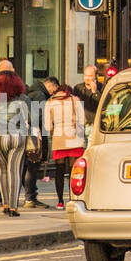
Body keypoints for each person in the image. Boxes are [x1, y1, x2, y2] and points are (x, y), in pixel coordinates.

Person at [0, 60, 33, 217]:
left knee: (2, 171)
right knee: (14, 172)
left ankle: (5, 204)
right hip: (16, 137)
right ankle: (13, 206)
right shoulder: (22, 99)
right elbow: (30, 120)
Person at [42, 78, 85, 210]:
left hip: (59, 138)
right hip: (74, 138)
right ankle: (74, 198)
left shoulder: (50, 102)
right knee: (75, 171)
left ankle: (60, 201)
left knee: (59, 171)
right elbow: (82, 120)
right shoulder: (75, 100)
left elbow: (48, 126)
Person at [22, 77, 58, 209]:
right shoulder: (40, 95)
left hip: (28, 134)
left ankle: (29, 195)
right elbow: (40, 118)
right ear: (50, 85)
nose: (53, 93)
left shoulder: (31, 92)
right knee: (33, 166)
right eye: (54, 89)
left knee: (28, 166)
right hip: (35, 135)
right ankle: (30, 197)